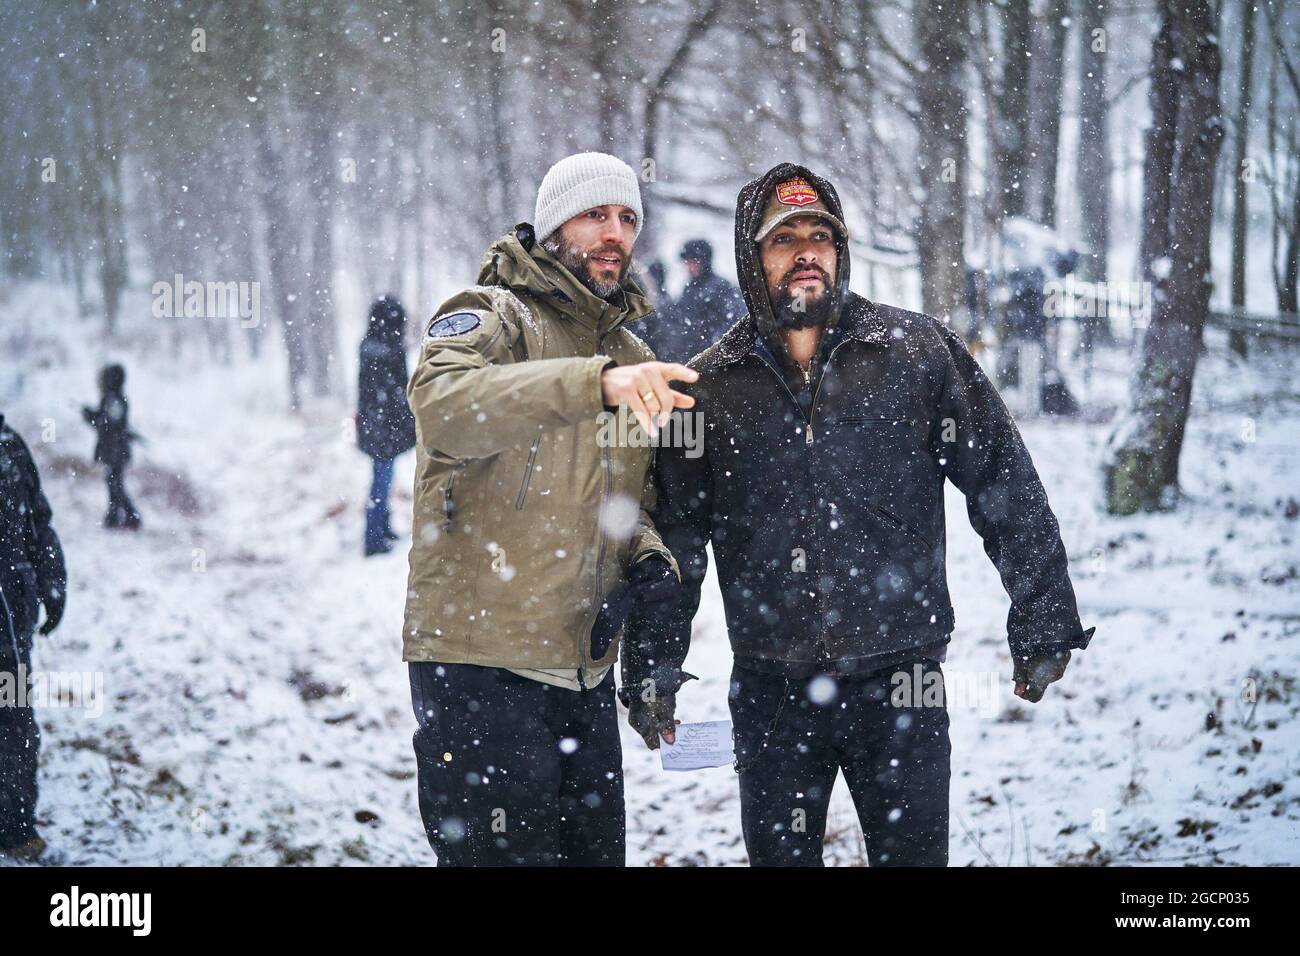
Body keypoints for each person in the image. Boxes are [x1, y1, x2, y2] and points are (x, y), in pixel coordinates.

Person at [623, 163, 1094, 866]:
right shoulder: (710, 388)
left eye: (822, 237)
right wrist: (654, 659)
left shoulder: (915, 353)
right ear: (753, 261)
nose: (806, 253)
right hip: (772, 687)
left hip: (902, 679)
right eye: (784, 240)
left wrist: (1044, 612)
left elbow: (1003, 480)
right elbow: (679, 540)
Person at [403, 152, 696, 866]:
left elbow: (624, 499)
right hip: (481, 668)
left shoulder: (629, 349)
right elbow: (443, 409)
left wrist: (651, 558)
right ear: (552, 225)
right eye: (594, 214)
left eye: (628, 218)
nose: (614, 232)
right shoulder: (490, 315)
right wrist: (593, 384)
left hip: (582, 674)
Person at [0, 413, 67, 862]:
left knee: (15, 715)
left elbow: (39, 523)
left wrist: (52, 583)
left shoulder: (9, 446)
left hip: (12, 622)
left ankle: (16, 827)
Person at [356, 295, 417, 556]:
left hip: (377, 424)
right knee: (381, 480)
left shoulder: (372, 345)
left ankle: (381, 527)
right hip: (382, 425)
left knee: (384, 477)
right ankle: (373, 538)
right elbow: (394, 392)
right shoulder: (386, 350)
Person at [638, 238, 747, 363]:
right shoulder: (689, 289)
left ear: (704, 261)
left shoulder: (721, 288)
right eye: (687, 262)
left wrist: (712, 348)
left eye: (694, 262)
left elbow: (735, 322)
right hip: (689, 360)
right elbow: (677, 317)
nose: (689, 266)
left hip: (710, 363)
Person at [81, 363, 141, 530]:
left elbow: (107, 424)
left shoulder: (114, 399)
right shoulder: (113, 398)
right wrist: (92, 415)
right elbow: (106, 421)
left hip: (115, 450)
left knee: (115, 484)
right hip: (114, 449)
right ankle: (120, 517)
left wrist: (90, 417)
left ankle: (125, 517)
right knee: (114, 484)